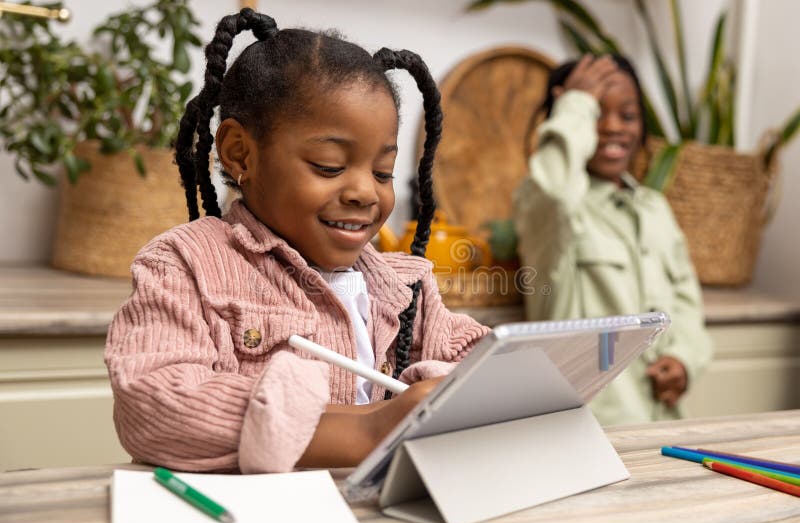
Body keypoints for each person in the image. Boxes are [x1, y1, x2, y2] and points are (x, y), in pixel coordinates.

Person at [104, 8, 490, 474]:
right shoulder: (185, 265)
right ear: (240, 153)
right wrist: (371, 429)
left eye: (382, 172)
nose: (365, 192)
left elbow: (481, 365)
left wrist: (455, 386)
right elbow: (154, 405)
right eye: (329, 166)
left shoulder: (404, 288)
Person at [513, 54, 712, 425]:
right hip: (590, 428)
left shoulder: (655, 209)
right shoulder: (548, 205)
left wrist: (684, 359)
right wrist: (577, 103)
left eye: (628, 115)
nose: (612, 127)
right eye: (596, 113)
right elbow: (554, 188)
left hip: (664, 424)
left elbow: (687, 302)